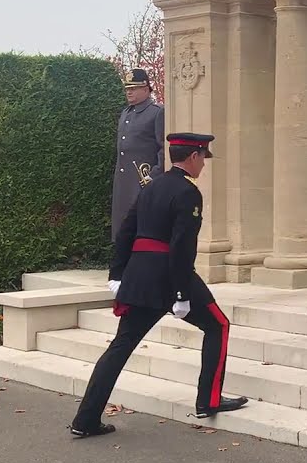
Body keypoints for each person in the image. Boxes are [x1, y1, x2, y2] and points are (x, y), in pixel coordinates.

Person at [69, 132, 247, 438]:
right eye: (203, 157)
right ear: (193, 157)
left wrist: (116, 273)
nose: (204, 164)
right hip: (169, 276)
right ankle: (209, 400)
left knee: (120, 347)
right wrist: (180, 294)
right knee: (218, 326)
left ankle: (85, 419)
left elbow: (126, 230)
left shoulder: (150, 188)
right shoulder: (188, 193)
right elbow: (181, 246)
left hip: (139, 276)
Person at [111, 68, 165, 242]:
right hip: (123, 181)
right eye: (127, 88)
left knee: (142, 229)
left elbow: (164, 147)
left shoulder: (157, 112)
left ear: (145, 88)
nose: (129, 92)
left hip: (143, 181)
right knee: (123, 229)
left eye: (133, 88)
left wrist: (154, 175)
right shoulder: (125, 113)